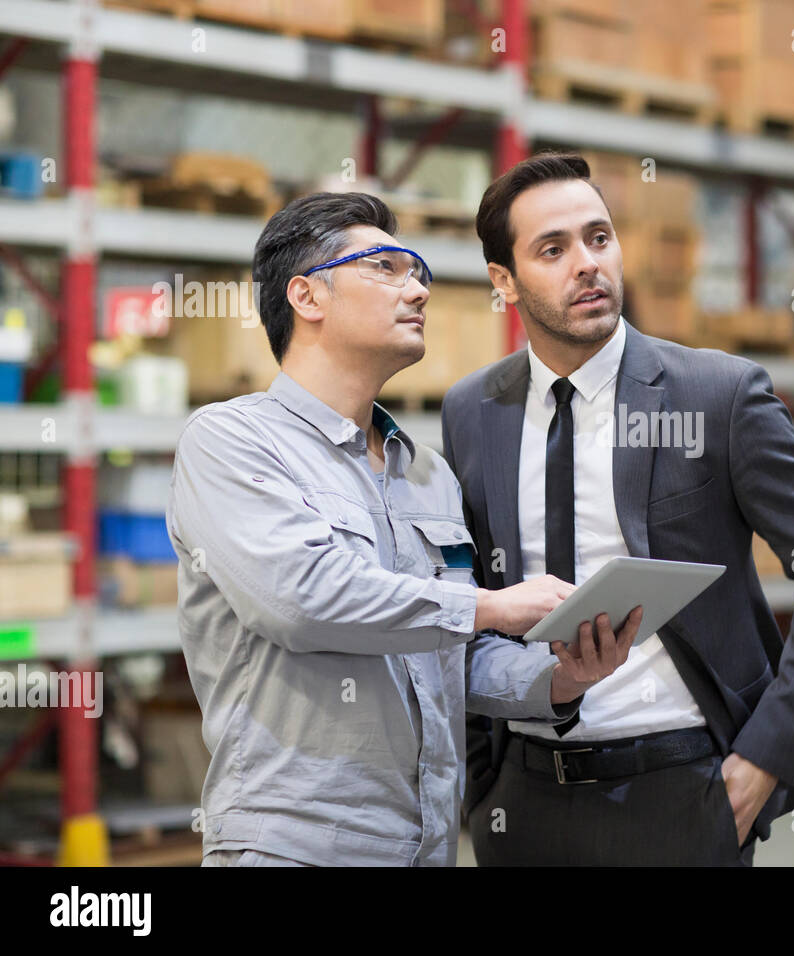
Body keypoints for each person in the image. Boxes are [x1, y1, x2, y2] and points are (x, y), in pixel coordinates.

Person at [166, 191, 641, 867]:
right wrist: (492, 606)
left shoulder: (428, 476)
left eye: (418, 271)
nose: (418, 288)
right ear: (307, 297)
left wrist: (561, 679)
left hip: (426, 847)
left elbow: (445, 653)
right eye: (386, 267)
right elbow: (300, 600)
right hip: (293, 848)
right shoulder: (232, 443)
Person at [441, 153, 794, 866]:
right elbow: (469, 600)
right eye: (553, 250)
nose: (587, 264)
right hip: (522, 803)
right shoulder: (473, 411)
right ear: (504, 282)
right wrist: (482, 784)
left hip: (678, 795)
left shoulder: (716, 395)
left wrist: (762, 762)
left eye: (599, 238)